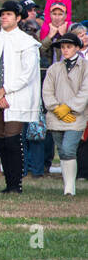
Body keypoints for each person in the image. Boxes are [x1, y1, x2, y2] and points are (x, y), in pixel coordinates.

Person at [0, 1, 41, 194]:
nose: (4, 17)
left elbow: (27, 73)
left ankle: (16, 184)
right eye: (3, 14)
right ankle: (8, 182)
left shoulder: (27, 42)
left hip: (16, 97)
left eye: (9, 14)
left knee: (13, 139)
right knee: (1, 139)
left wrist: (4, 90)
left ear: (18, 18)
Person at [42, 33, 87, 196]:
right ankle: (67, 184)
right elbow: (47, 91)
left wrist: (68, 107)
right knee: (61, 150)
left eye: (69, 47)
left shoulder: (85, 67)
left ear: (77, 47)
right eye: (63, 47)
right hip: (55, 116)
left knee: (69, 149)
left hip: (76, 116)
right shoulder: (55, 68)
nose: (65, 50)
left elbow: (85, 91)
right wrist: (56, 108)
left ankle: (70, 188)